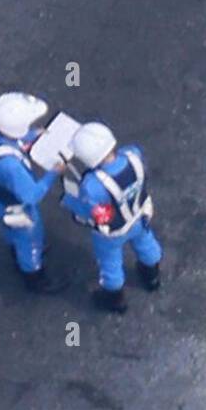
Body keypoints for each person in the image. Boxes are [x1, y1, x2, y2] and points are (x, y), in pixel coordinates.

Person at [61, 122, 162, 313]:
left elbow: (88, 211)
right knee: (146, 243)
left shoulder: (92, 185)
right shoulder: (134, 156)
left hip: (113, 232)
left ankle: (115, 299)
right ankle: (152, 276)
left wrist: (68, 200)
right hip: (140, 215)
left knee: (110, 263)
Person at [0, 92, 65, 292]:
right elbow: (32, 195)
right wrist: (53, 173)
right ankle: (34, 275)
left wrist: (32, 135)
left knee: (11, 232)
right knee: (30, 239)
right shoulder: (10, 166)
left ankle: (15, 250)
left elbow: (11, 137)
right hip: (17, 207)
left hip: (0, 199)